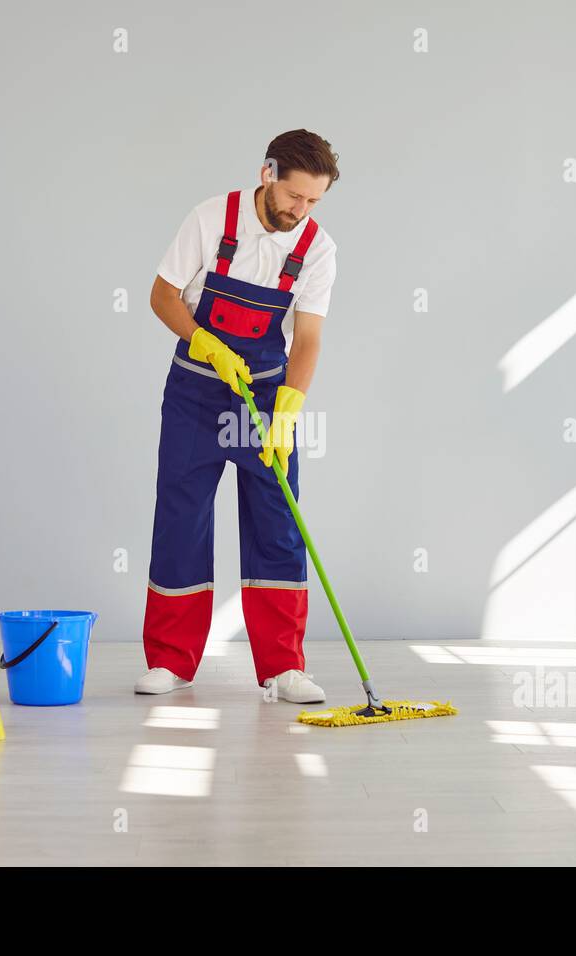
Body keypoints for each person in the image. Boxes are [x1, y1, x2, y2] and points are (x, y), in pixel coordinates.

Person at [136, 129, 340, 704]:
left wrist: (288, 414)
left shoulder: (318, 249)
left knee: (277, 521)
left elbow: (307, 340)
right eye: (295, 196)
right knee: (182, 516)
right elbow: (162, 295)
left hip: (265, 398)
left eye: (314, 202)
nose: (301, 212)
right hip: (195, 394)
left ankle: (283, 667)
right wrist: (204, 343)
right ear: (268, 174)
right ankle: (171, 661)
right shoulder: (210, 218)